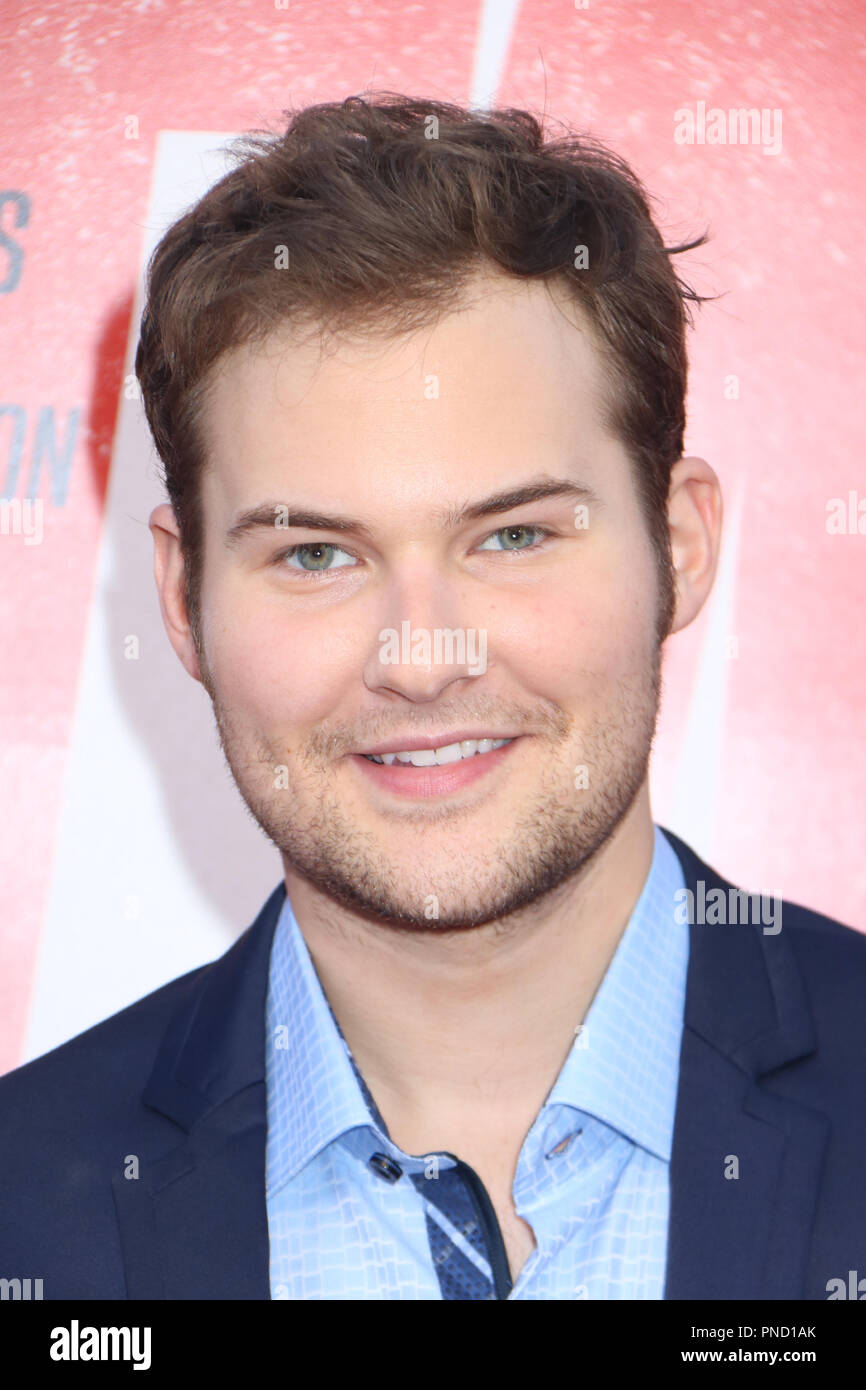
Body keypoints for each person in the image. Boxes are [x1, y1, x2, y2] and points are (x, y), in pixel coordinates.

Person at [1, 93, 863, 1302]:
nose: (420, 654)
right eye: (314, 554)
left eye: (511, 536)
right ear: (184, 597)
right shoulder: (21, 1212)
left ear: (679, 544)